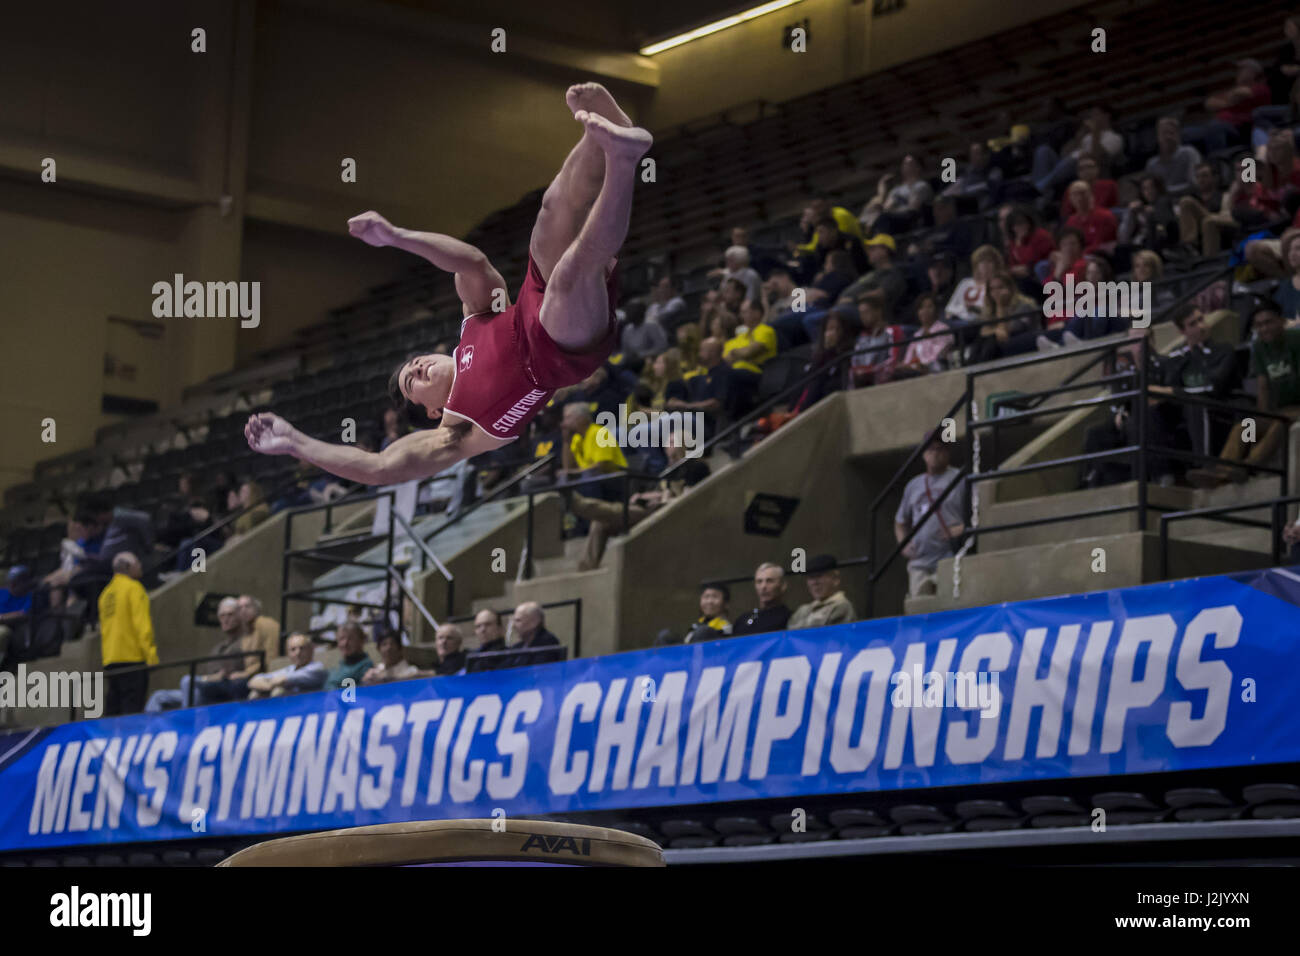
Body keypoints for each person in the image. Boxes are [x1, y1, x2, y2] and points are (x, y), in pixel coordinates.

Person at [246, 83, 652, 483]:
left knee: (550, 213)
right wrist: (296, 442)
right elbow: (379, 468)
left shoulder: (473, 324)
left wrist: (396, 237)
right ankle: (622, 159)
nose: (417, 366)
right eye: (412, 381)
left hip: (533, 302)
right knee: (569, 275)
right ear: (431, 411)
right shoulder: (457, 430)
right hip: (559, 355)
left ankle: (602, 132)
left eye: (414, 362)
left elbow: (472, 262)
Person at [1187, 304, 1300, 487]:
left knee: (1278, 425)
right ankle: (1222, 470)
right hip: (1278, 410)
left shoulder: (1296, 340)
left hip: (1296, 408)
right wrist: (1262, 418)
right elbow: (1263, 386)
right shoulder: (1260, 347)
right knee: (1245, 427)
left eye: (1268, 322)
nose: (1264, 328)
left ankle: (1247, 467)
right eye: (1259, 325)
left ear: (1281, 321)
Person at [145, 596, 245, 712]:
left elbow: (224, 675)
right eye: (222, 616)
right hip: (205, 687)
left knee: (187, 681)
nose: (226, 619)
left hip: (223, 690)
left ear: (239, 616)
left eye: (230, 615)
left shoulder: (244, 643)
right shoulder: (219, 647)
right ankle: (146, 729)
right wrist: (207, 678)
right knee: (158, 696)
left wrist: (208, 678)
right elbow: (207, 673)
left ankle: (188, 722)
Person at [895, 434, 966, 597]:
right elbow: (900, 522)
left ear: (947, 452)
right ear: (923, 453)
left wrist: (962, 528)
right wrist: (903, 544)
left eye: (939, 449)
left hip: (949, 557)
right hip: (920, 561)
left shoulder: (959, 479)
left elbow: (978, 512)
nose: (934, 453)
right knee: (919, 608)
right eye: (930, 449)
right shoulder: (913, 485)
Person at [98, 552, 159, 716]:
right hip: (132, 659)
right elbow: (142, 626)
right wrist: (151, 656)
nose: (140, 566)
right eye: (137, 563)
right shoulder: (134, 588)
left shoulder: (105, 595)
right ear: (128, 568)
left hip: (111, 660)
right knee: (132, 711)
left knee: (113, 709)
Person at [246, 632, 326, 699]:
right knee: (255, 693)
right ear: (288, 654)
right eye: (293, 649)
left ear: (311, 650)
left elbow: (284, 679)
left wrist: (269, 683)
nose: (298, 653)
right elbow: (253, 681)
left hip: (308, 707)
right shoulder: (289, 669)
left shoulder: (317, 668)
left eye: (302, 648)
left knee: (278, 691)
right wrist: (268, 685)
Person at [787, 554, 856, 629]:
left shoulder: (841, 606)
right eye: (810, 577)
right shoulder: (803, 610)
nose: (814, 583)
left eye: (819, 576)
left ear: (835, 579)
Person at [897, 293, 954, 375]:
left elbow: (939, 355)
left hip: (935, 371)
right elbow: (908, 359)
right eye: (921, 308)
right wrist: (906, 365)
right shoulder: (917, 335)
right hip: (916, 371)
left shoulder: (943, 329)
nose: (925, 311)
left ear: (936, 310)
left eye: (929, 307)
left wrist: (922, 365)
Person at [730, 563, 792, 636]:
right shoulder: (742, 621)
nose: (763, 586)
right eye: (759, 582)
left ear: (783, 586)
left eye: (769, 581)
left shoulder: (791, 619)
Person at [1144, 117, 1201, 193]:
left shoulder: (1189, 153)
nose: (1168, 137)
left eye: (1171, 133)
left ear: (1178, 135)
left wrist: (1166, 191)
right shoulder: (1152, 164)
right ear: (1158, 137)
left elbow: (1195, 183)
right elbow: (1152, 192)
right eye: (1164, 133)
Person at [325, 621, 373, 690]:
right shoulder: (336, 669)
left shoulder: (366, 668)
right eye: (341, 639)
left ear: (361, 640)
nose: (345, 643)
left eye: (350, 638)